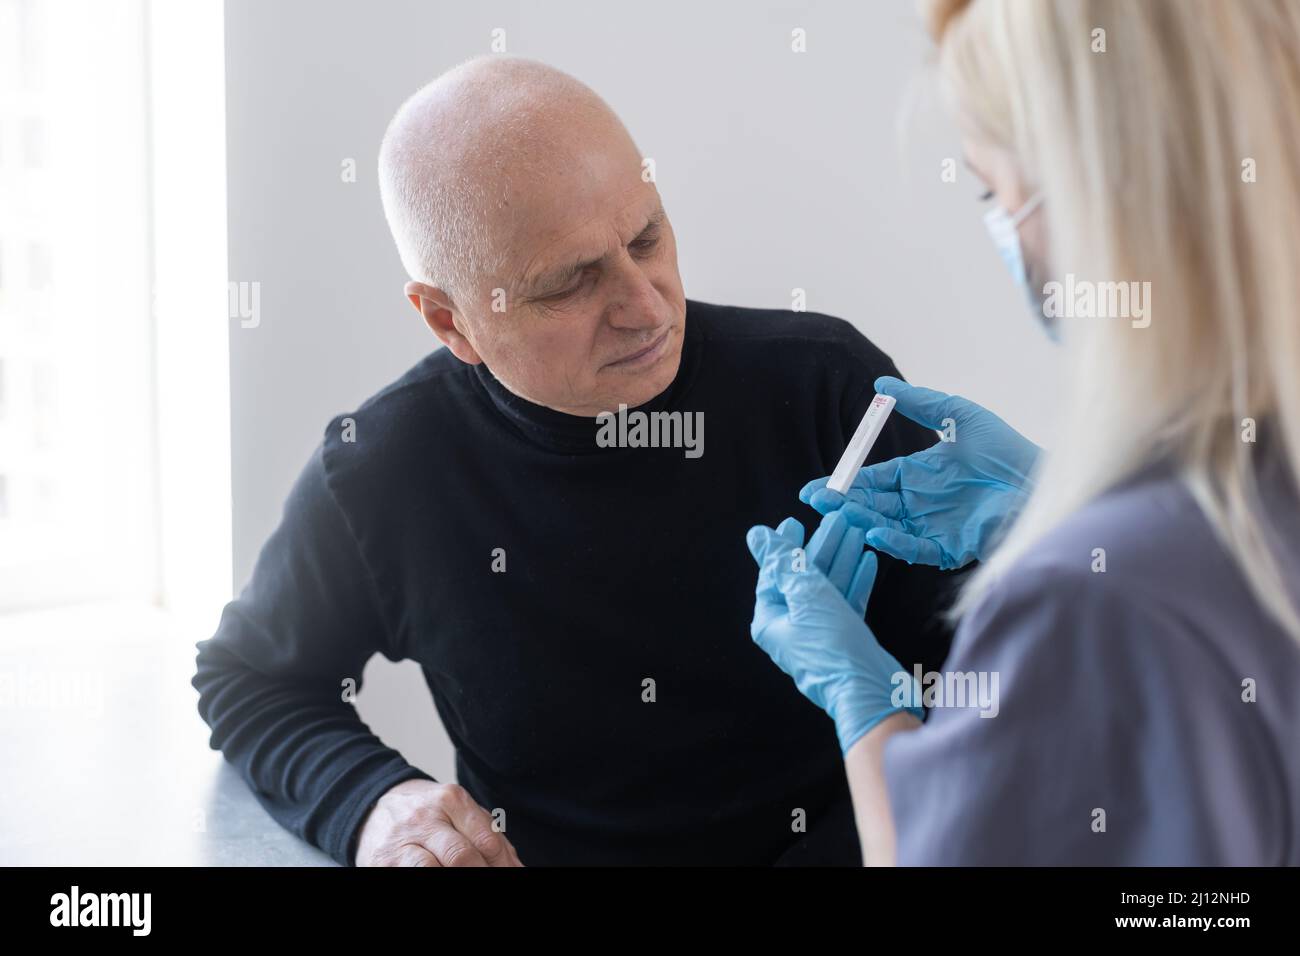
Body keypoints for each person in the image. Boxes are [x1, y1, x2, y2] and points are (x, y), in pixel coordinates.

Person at [193, 56, 960, 867]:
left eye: (646, 237)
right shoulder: (386, 471)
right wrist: (375, 805)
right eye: (570, 283)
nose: (647, 304)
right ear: (450, 321)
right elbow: (250, 681)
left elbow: (995, 675)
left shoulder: (826, 391)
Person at [748, 0, 1300, 865]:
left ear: (1090, 200)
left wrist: (863, 700)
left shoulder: (1075, 607)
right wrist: (1055, 509)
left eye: (993, 190)